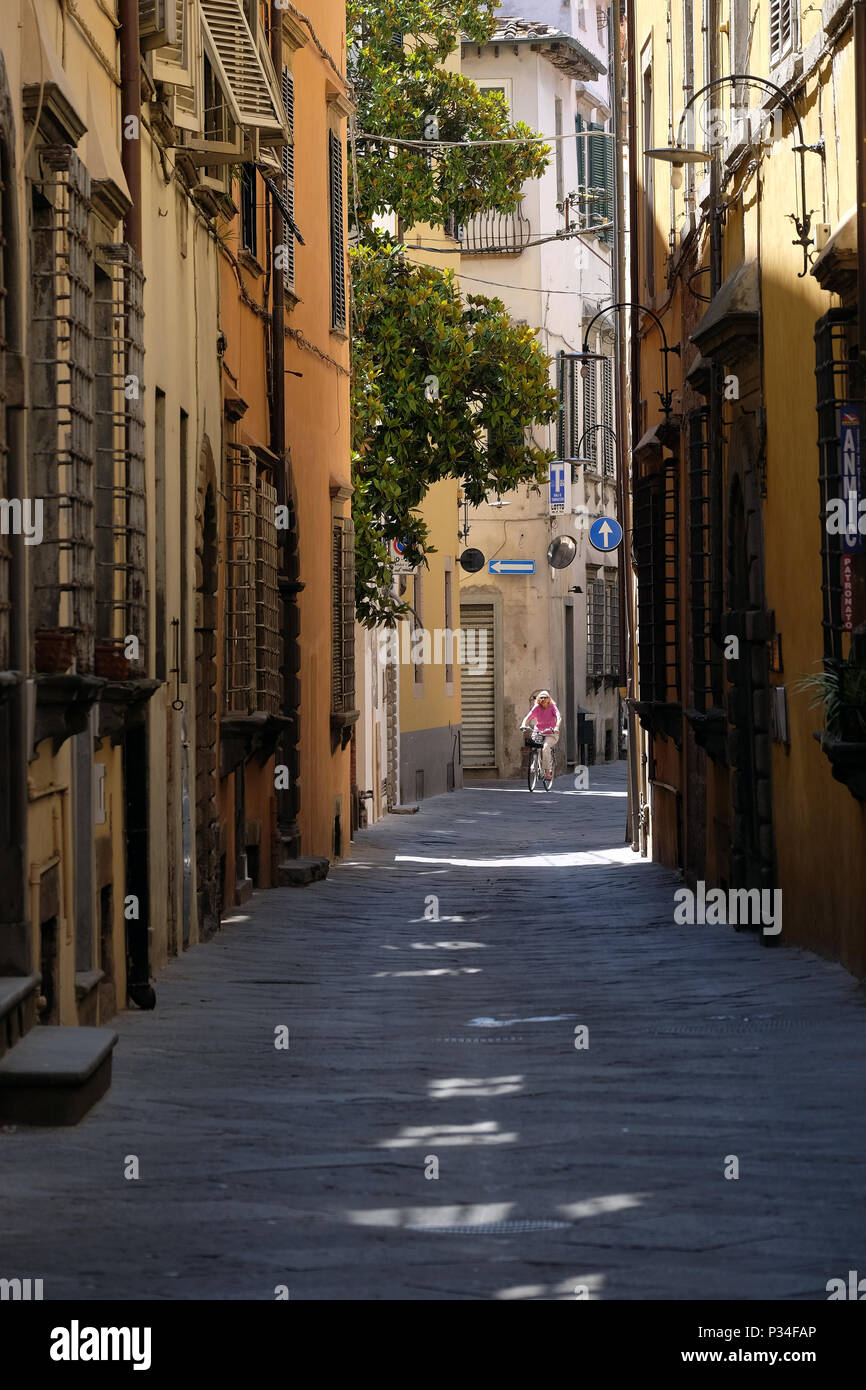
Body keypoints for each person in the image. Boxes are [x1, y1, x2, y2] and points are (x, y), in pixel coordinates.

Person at [520, 689, 561, 778]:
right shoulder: (537, 707)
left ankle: (547, 772)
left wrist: (557, 727)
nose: (543, 699)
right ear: (538, 699)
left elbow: (559, 717)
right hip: (539, 731)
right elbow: (528, 717)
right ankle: (534, 762)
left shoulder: (552, 707)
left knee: (545, 747)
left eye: (545, 697)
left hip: (551, 733)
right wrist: (523, 724)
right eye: (541, 697)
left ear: (548, 699)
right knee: (536, 746)